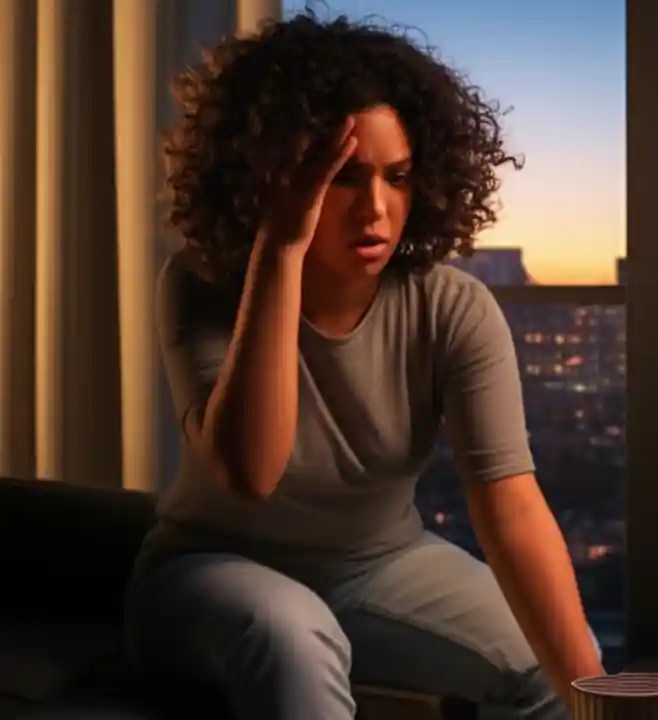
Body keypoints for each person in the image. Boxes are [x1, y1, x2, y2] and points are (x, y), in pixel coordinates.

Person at [122, 11, 621, 720]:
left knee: (554, 667)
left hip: (385, 566)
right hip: (208, 571)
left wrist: (593, 697)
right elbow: (250, 470)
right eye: (345, 178)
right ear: (274, 178)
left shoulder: (453, 308)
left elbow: (510, 507)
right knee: (292, 631)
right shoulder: (199, 285)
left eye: (399, 176)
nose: (377, 210)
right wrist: (281, 249)